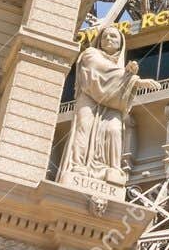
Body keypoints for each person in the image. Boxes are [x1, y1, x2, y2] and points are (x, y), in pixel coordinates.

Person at [59, 23, 156, 184]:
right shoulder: (90, 53)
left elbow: (113, 76)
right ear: (99, 41)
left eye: (113, 36)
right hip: (89, 98)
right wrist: (134, 80)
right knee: (84, 128)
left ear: (121, 43)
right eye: (105, 36)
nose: (108, 39)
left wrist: (127, 75)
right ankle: (78, 165)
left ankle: (112, 168)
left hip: (113, 103)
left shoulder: (121, 67)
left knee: (115, 129)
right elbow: (100, 70)